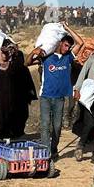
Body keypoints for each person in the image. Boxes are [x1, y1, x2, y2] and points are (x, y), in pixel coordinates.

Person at [30, 36, 74, 173]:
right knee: (45, 124)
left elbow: (82, 43)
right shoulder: (46, 57)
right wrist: (33, 52)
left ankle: (53, 149)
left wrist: (66, 27)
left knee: (57, 126)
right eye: (65, 45)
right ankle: (45, 153)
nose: (66, 49)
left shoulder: (68, 58)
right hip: (46, 97)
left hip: (60, 97)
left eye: (69, 47)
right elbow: (27, 63)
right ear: (60, 43)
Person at [0, 43, 36, 140]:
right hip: (0, 101)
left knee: (17, 122)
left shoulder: (18, 67)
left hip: (17, 100)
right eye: (2, 53)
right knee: (1, 122)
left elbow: (26, 81)